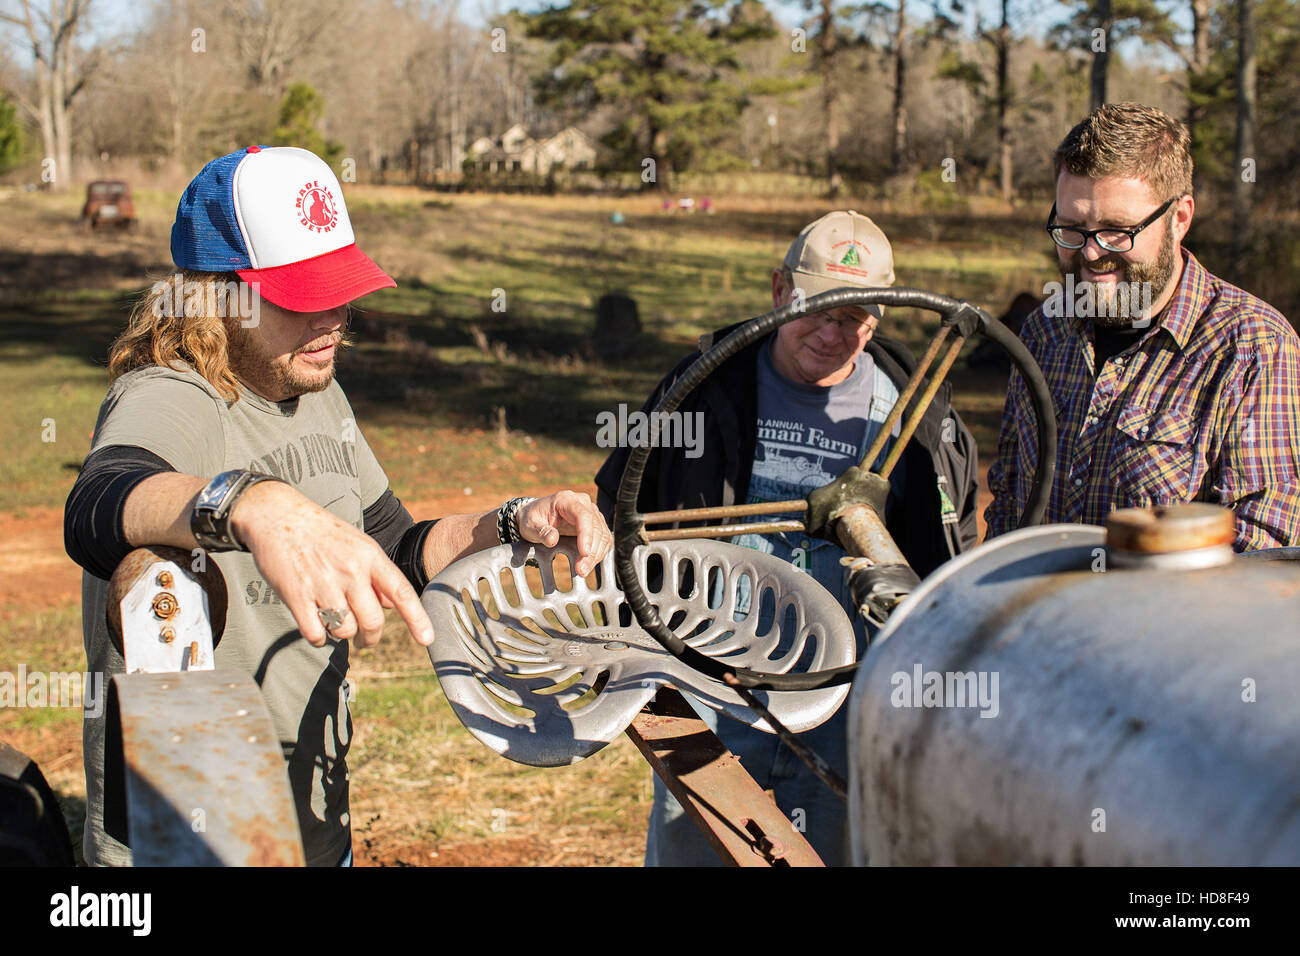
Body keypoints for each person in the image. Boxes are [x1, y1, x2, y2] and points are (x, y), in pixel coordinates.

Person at [64, 145, 612, 867]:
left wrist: (512, 521)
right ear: (215, 296)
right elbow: (97, 504)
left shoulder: (318, 390)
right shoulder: (174, 393)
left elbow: (393, 549)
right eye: (299, 296)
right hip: (186, 835)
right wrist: (252, 502)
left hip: (309, 816)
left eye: (340, 288)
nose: (332, 319)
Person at [594, 210, 980, 865]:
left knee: (825, 839)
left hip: (846, 679)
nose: (832, 333)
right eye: (817, 309)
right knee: (696, 831)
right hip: (714, 665)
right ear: (780, 290)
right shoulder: (708, 385)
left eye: (855, 317)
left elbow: (950, 546)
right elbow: (622, 505)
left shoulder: (915, 412)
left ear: (879, 317)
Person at [985, 103, 1300, 549]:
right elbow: (1008, 500)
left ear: (1180, 219)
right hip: (1037, 616)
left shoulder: (1253, 349)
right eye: (1072, 228)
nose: (1092, 253)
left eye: (1118, 230)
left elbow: (1262, 553)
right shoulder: (1043, 332)